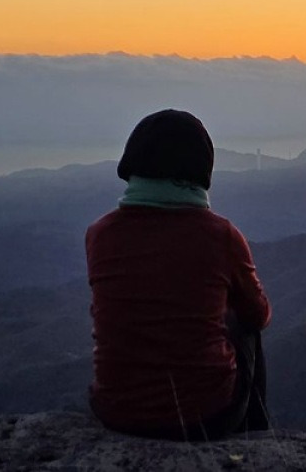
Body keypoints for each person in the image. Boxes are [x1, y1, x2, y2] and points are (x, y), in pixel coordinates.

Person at [86, 109, 272, 440]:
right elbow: (258, 315)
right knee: (245, 326)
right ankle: (255, 443)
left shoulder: (99, 234)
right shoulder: (221, 236)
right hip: (205, 418)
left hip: (115, 413)